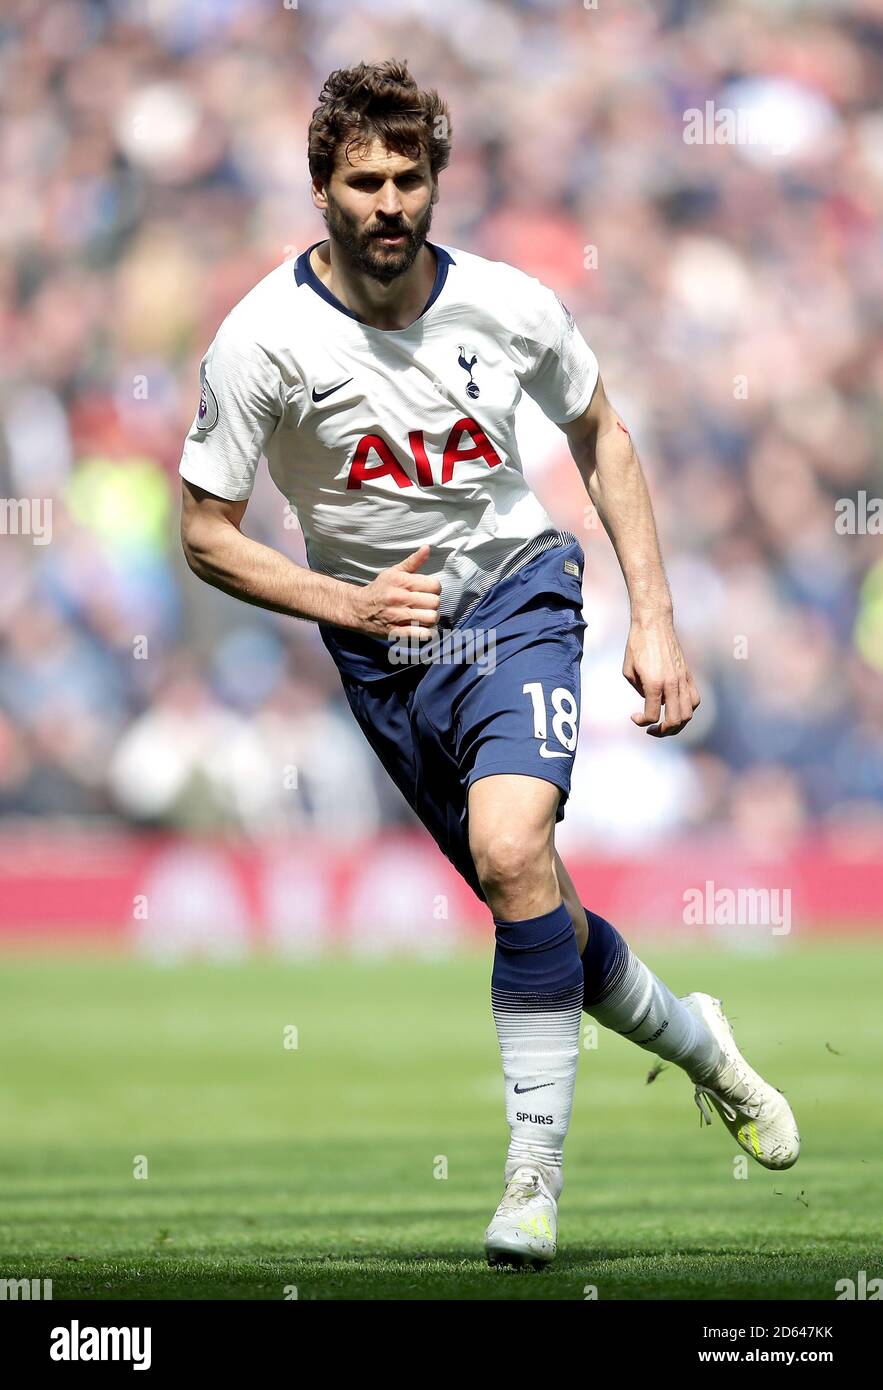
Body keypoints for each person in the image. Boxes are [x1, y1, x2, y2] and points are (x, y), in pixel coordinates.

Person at [179, 59, 799, 1270]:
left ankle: (531, 1181)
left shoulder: (507, 305)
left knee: (514, 850)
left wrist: (654, 618)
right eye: (365, 180)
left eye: (411, 177)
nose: (390, 202)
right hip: (385, 651)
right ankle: (699, 1044)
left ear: (437, 182)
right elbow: (205, 535)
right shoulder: (261, 340)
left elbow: (601, 433)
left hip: (515, 597)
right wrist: (345, 601)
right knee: (535, 908)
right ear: (321, 189)